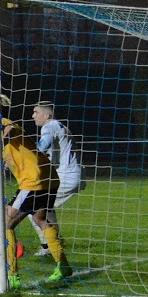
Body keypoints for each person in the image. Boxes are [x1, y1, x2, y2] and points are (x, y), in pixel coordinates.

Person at [0, 116, 72, 288]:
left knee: (5, 224)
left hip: (34, 183)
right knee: (40, 219)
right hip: (49, 180)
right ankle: (63, 266)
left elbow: (11, 131)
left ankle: (11, 277)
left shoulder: (3, 123)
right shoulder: (1, 135)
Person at [30, 101, 85, 257]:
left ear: (47, 115)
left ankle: (48, 245)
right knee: (45, 207)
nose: (33, 116)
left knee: (31, 206)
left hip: (66, 177)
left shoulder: (49, 127)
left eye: (36, 112)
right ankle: (56, 240)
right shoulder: (60, 126)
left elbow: (41, 147)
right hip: (71, 175)